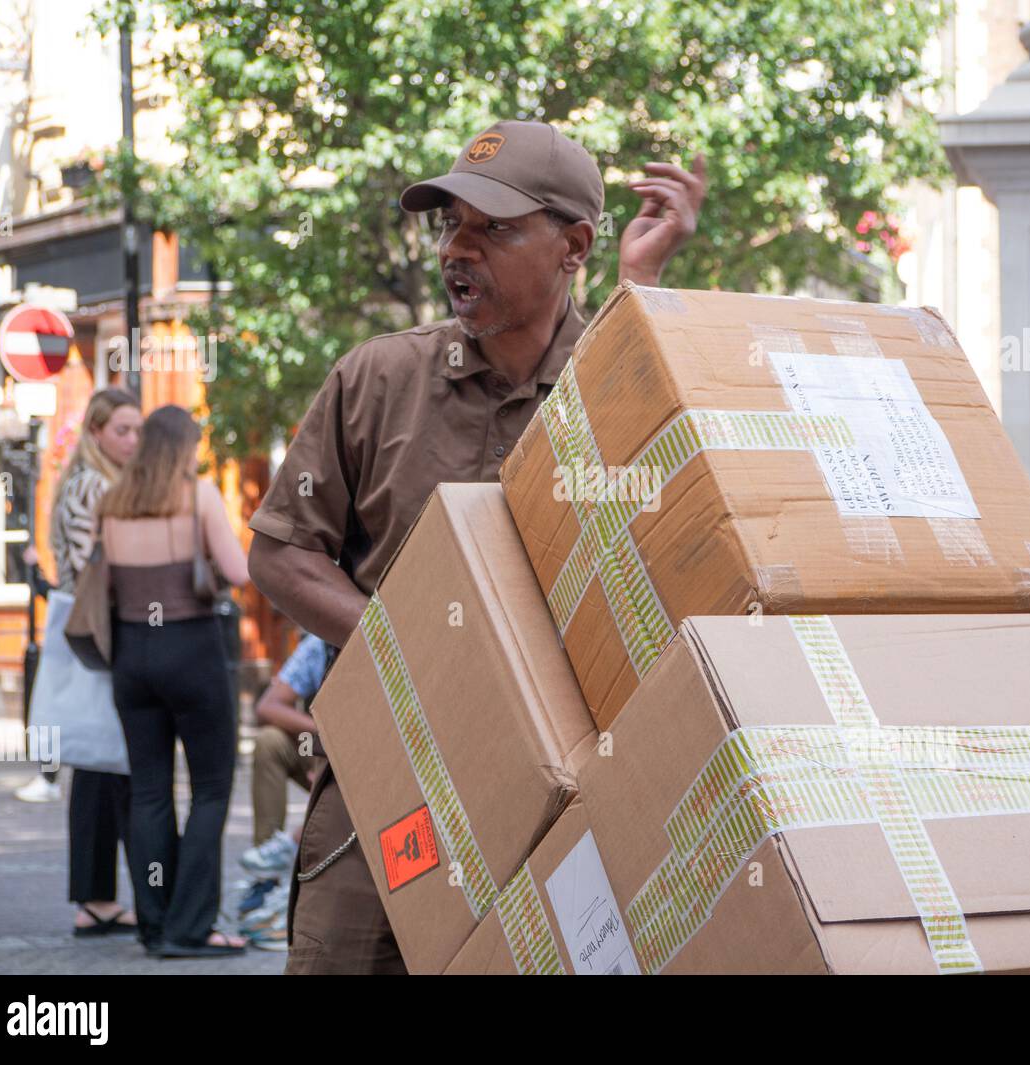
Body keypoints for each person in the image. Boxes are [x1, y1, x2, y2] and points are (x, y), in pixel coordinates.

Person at [247, 119, 705, 974]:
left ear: (574, 245)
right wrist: (404, 639)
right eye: (450, 224)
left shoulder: (612, 378)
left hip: (572, 796)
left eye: (493, 228)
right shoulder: (375, 379)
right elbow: (281, 554)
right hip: (387, 783)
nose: (459, 249)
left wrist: (638, 288)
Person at [98, 405, 251, 957]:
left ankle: (155, 923)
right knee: (210, 789)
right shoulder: (199, 496)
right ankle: (192, 927)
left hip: (132, 653)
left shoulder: (112, 502)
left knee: (148, 791)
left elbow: (101, 582)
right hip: (191, 650)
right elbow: (238, 573)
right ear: (182, 448)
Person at [23, 389, 144, 933]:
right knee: (100, 760)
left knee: (101, 761)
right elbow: (91, 565)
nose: (133, 441)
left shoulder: (91, 481)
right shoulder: (94, 485)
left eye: (138, 431)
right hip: (93, 630)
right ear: (96, 432)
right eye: (122, 430)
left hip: (84, 627)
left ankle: (96, 896)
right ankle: (95, 899)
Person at [235, 632, 326, 950]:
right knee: (269, 741)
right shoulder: (319, 642)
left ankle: (290, 846)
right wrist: (325, 734)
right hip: (325, 748)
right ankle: (268, 874)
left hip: (371, 759)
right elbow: (269, 706)